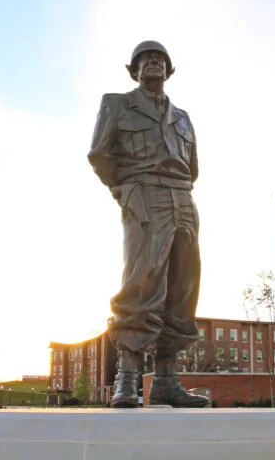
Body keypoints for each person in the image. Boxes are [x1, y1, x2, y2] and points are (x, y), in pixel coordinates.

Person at [88, 41, 209, 408]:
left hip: (183, 197)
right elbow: (99, 154)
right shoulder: (117, 103)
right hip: (144, 194)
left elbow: (195, 167)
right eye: (145, 60)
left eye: (159, 60)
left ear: (169, 72)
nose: (153, 63)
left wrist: (178, 191)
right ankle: (127, 378)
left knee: (183, 285)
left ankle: (166, 381)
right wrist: (124, 190)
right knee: (142, 281)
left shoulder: (183, 116)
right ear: (133, 71)